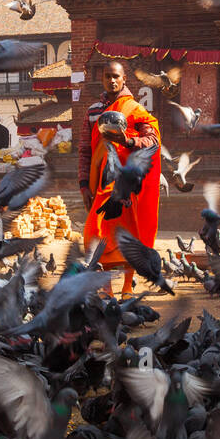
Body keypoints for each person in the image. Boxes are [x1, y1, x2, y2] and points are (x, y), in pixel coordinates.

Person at [78, 61, 161, 294]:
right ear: (102, 79)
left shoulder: (136, 109)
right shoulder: (93, 111)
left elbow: (153, 141)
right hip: (101, 184)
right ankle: (107, 290)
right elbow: (85, 149)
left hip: (128, 185)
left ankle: (127, 288)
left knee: (128, 234)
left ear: (124, 79)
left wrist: (129, 141)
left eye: (116, 76)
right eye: (107, 76)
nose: (112, 80)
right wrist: (84, 184)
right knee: (98, 233)